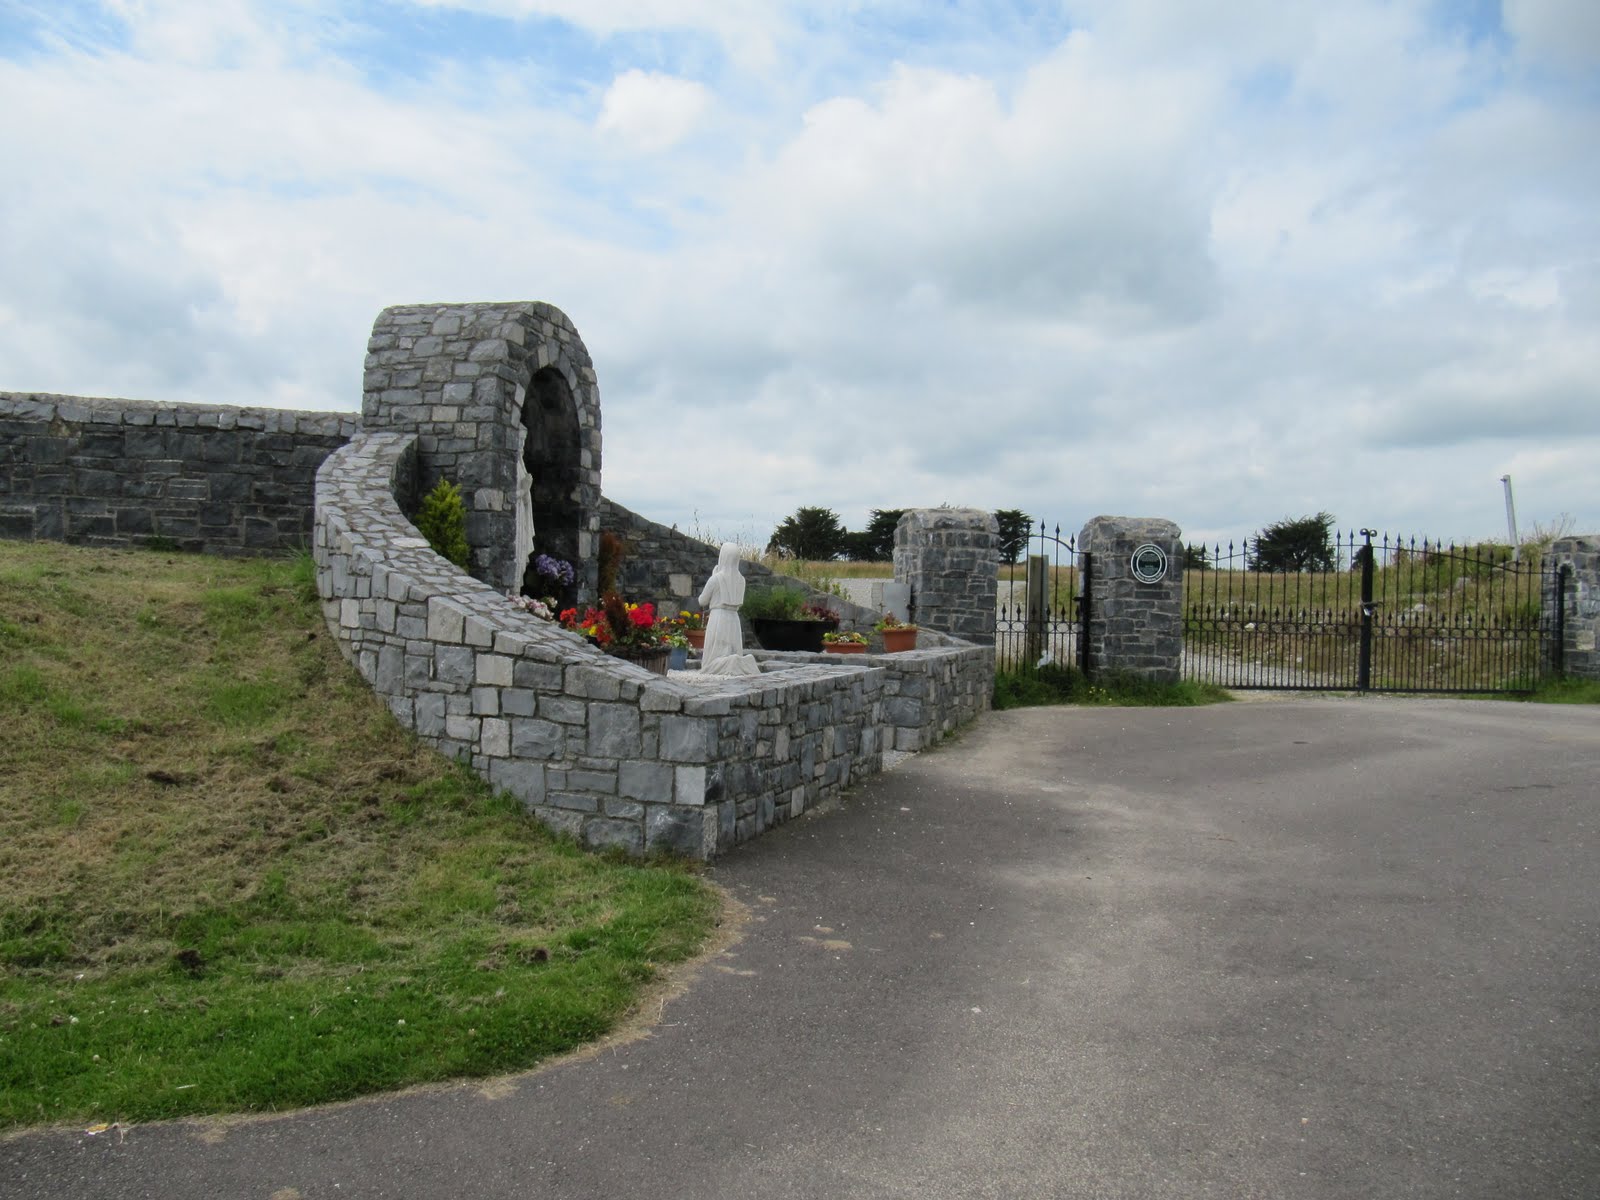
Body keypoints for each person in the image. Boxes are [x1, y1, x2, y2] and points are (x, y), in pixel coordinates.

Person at [697, 543, 760, 676]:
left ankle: (729, 663)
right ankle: (735, 662)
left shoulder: (716, 578)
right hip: (734, 619)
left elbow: (702, 600)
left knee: (714, 657)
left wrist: (713, 576)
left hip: (718, 618)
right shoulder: (741, 580)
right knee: (731, 650)